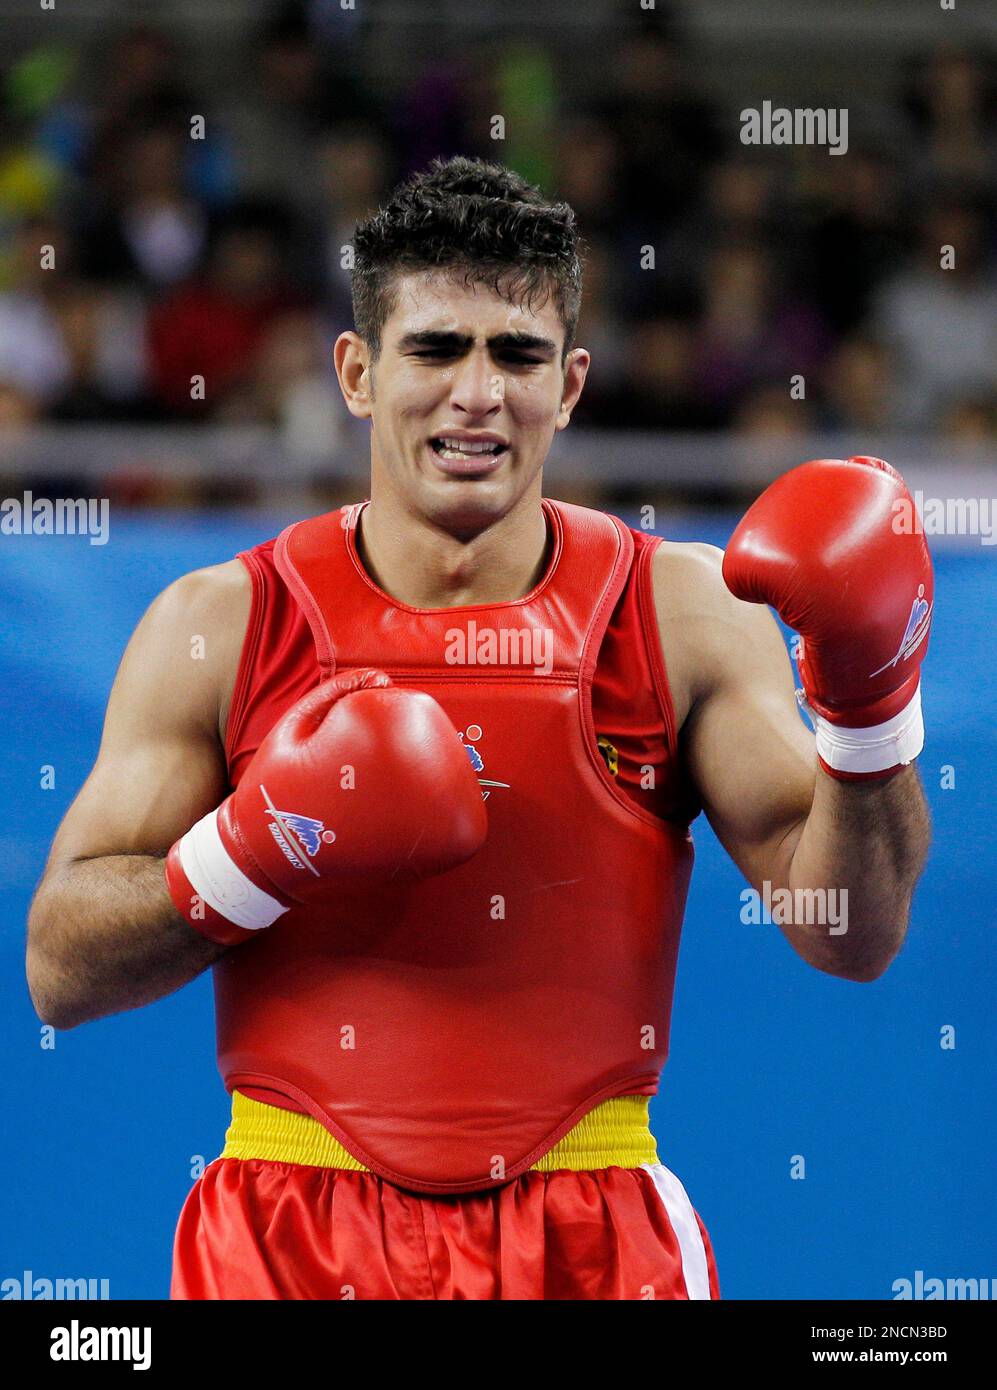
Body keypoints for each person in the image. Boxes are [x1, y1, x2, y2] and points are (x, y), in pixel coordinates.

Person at [26, 157, 933, 1301]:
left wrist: (868, 714)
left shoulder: (678, 611)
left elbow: (852, 934)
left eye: (517, 354)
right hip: (287, 1235)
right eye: (437, 348)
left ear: (571, 385)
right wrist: (256, 850)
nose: (477, 393)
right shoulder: (224, 623)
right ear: (355, 372)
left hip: (592, 1238)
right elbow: (60, 967)